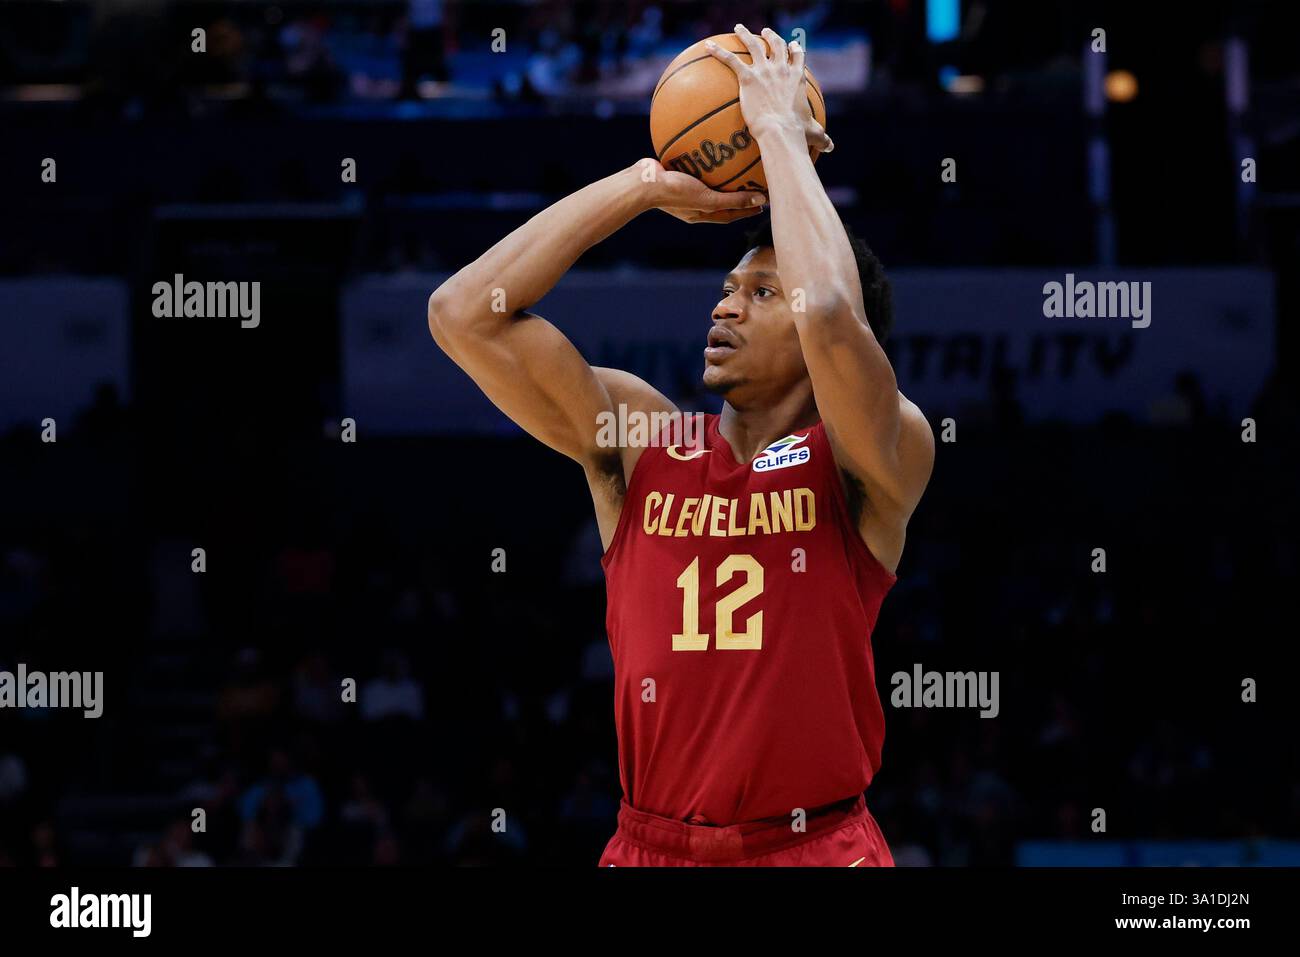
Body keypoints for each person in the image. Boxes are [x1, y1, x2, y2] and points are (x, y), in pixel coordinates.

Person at [427, 25, 934, 866]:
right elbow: (461, 314)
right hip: (650, 844)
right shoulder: (642, 442)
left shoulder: (872, 458)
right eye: (726, 287)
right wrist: (640, 187)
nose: (724, 307)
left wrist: (776, 133)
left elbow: (831, 316)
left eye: (759, 290)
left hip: (812, 846)